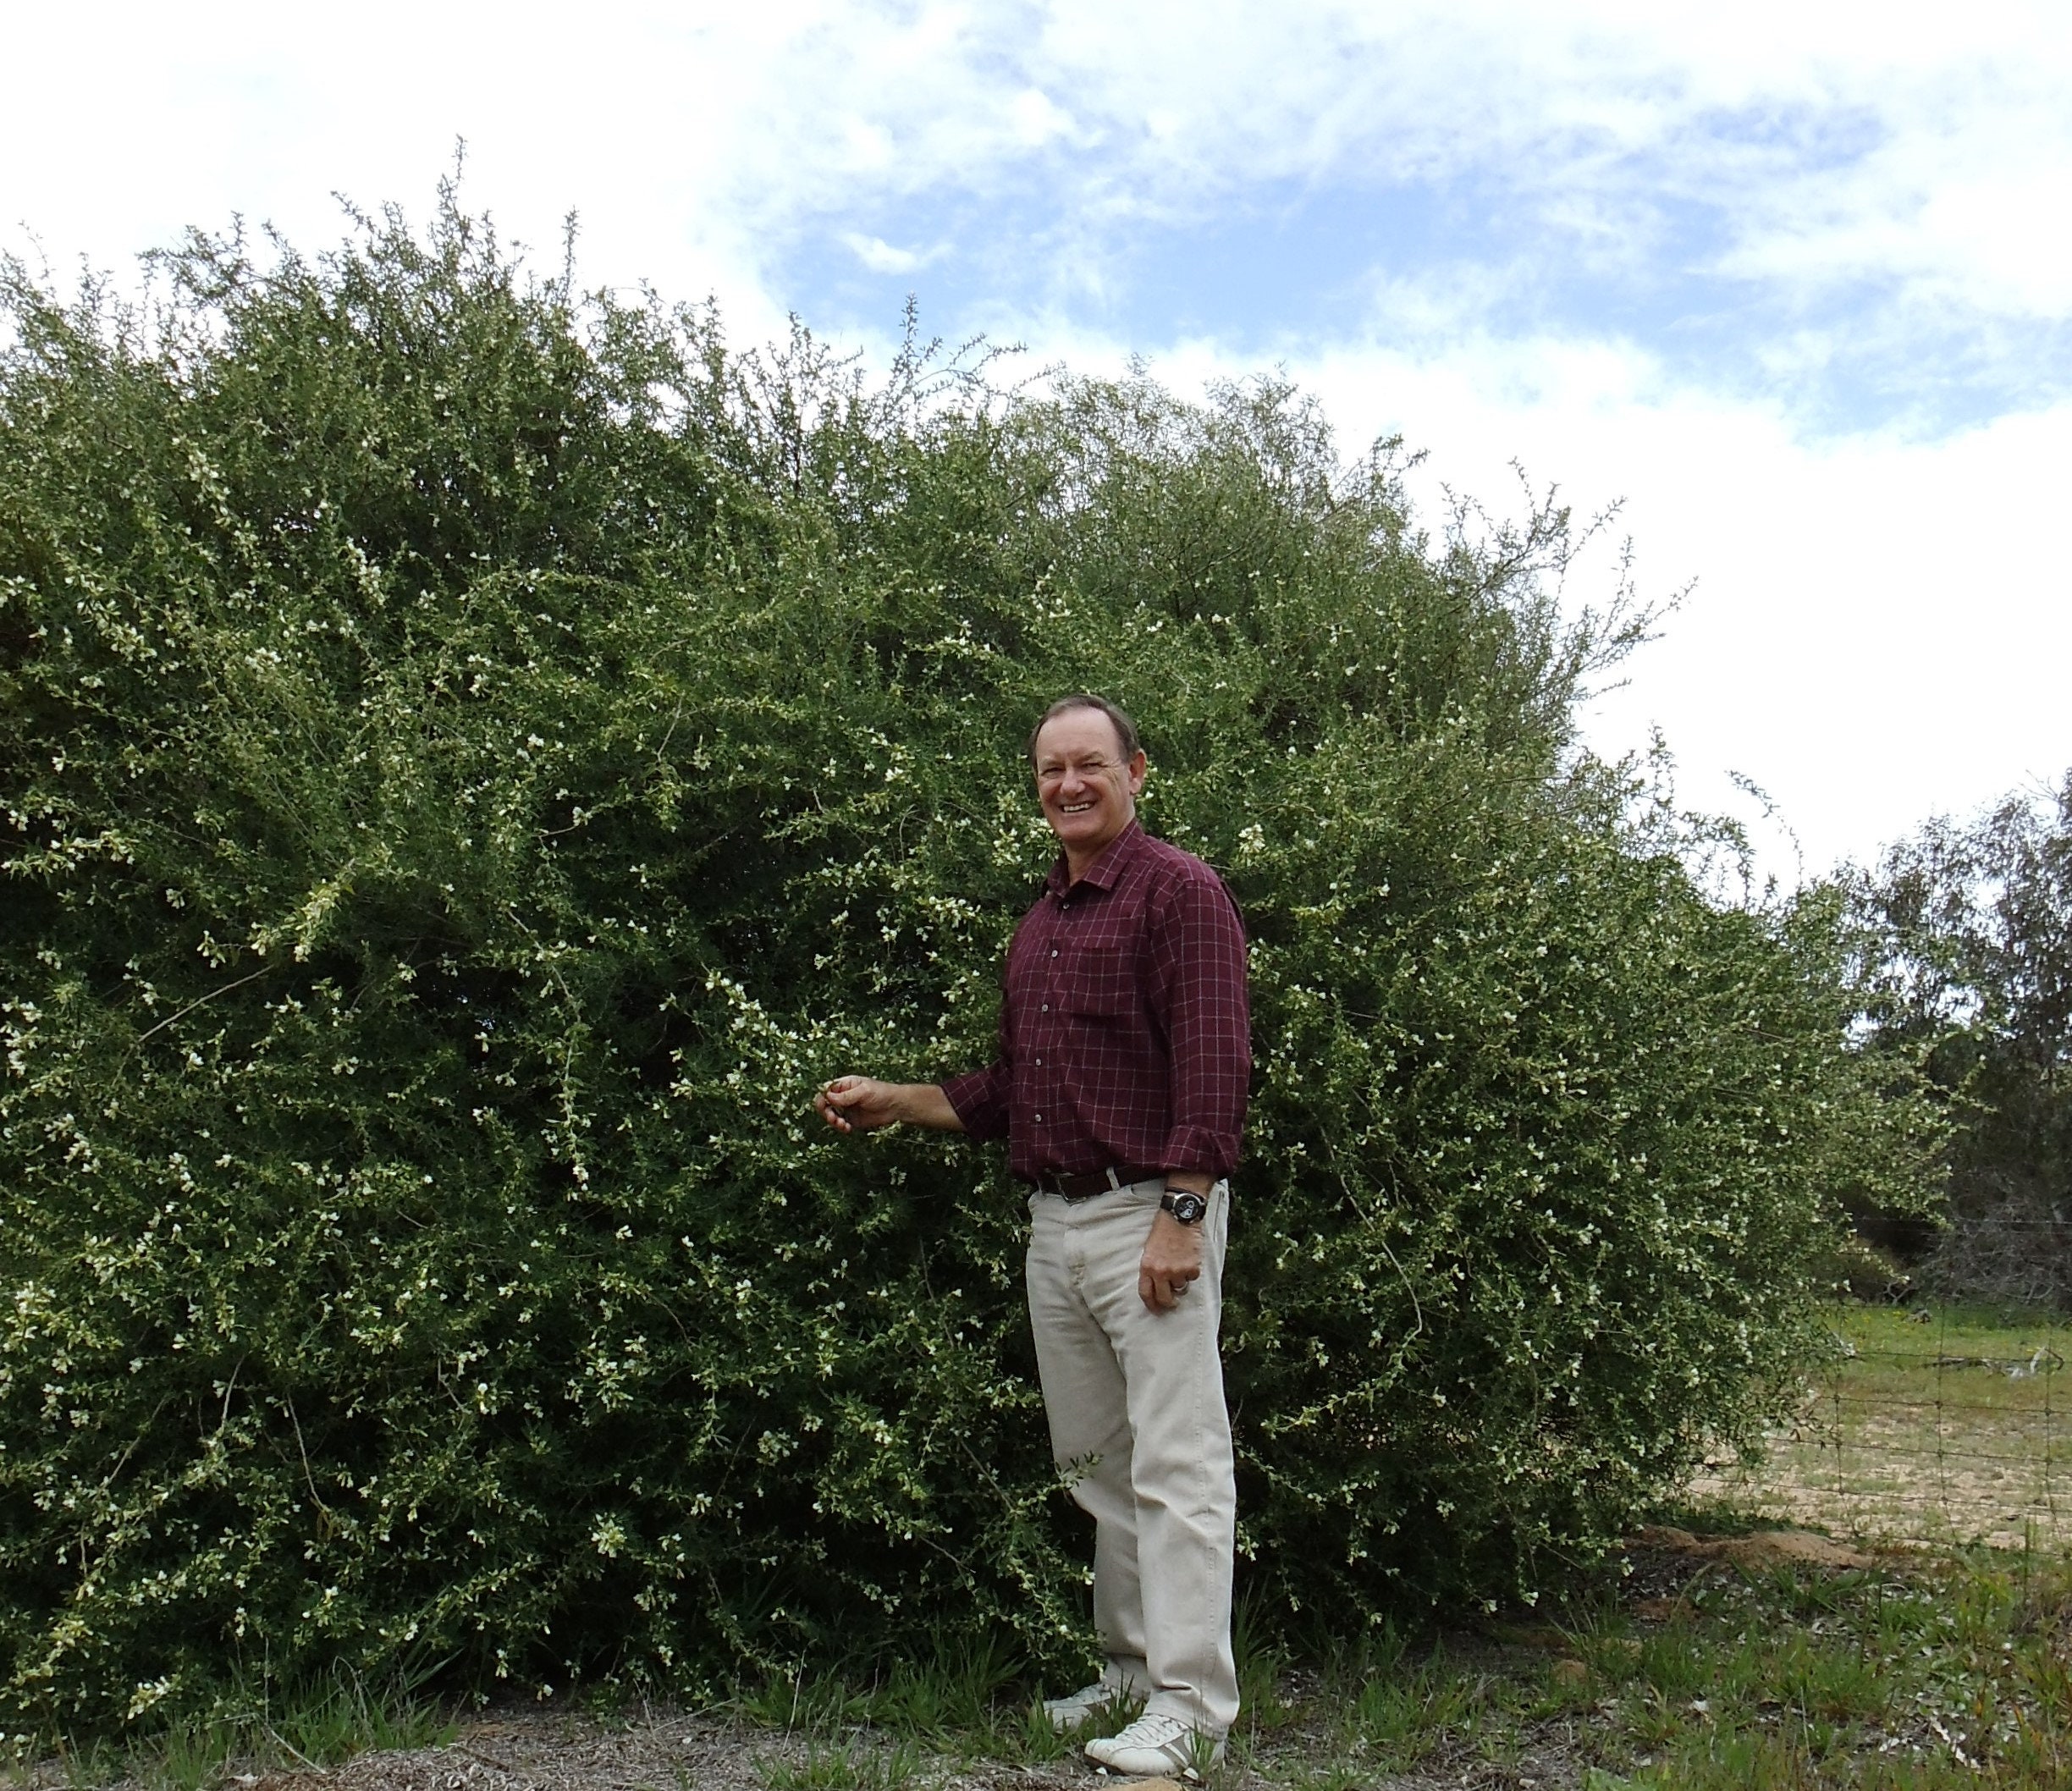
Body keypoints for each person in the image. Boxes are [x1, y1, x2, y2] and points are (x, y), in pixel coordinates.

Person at [815, 693, 1250, 1781]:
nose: (1069, 784)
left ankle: (1192, 1706)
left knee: (1178, 1464)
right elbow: (1016, 1089)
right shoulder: (1044, 921)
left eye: (1090, 764)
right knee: (1099, 1465)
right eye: (1051, 769)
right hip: (1056, 1224)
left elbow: (1214, 1065)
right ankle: (1132, 1675)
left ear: (1137, 771)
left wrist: (1182, 1214)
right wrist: (898, 1100)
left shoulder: (1179, 893)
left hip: (1149, 1214)